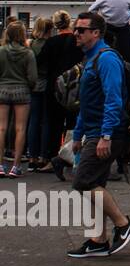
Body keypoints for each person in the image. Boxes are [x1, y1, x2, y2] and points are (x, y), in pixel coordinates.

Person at [65, 12, 130, 258]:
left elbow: (113, 99)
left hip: (107, 132)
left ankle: (123, 223)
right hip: (95, 130)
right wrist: (78, 135)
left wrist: (105, 136)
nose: (76, 33)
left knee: (83, 181)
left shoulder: (106, 59)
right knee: (95, 184)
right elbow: (87, 104)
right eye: (76, 29)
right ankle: (98, 240)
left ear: (96, 33)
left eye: (81, 30)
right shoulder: (91, 59)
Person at [37, 11, 81, 177]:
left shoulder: (51, 42)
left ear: (55, 25)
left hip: (54, 87)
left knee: (53, 124)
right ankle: (69, 156)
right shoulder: (76, 42)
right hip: (74, 88)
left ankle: (50, 157)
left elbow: (40, 62)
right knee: (71, 125)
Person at [0, 21, 38, 176]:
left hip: (2, 90)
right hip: (22, 91)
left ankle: (0, 165)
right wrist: (29, 86)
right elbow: (33, 77)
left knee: (1, 128)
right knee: (20, 128)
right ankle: (16, 166)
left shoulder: (1, 51)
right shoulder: (28, 53)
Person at [88, 0, 130, 68]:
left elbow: (91, 10)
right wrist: (129, 16)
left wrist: (99, 17)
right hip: (124, 29)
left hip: (107, 28)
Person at [23, 17, 51, 171]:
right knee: (46, 121)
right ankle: (44, 156)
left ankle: (31, 155)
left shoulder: (31, 45)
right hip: (47, 83)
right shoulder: (50, 44)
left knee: (33, 120)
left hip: (33, 85)